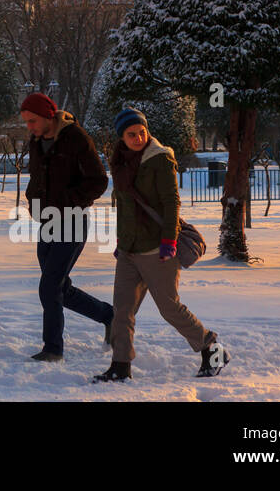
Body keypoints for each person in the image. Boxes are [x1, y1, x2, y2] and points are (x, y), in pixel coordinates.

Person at [95, 108, 231, 382]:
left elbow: (172, 203)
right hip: (130, 250)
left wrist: (169, 240)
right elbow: (124, 206)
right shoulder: (121, 161)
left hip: (157, 249)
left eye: (141, 132)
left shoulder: (160, 159)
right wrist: (121, 241)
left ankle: (213, 350)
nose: (138, 137)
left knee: (169, 308)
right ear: (122, 137)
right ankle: (120, 366)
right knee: (121, 310)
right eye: (131, 134)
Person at [21, 91, 115, 362]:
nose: (30, 127)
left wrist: (68, 201)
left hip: (72, 222)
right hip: (46, 222)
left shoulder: (76, 138)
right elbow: (37, 177)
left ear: (49, 116)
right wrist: (33, 201)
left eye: (33, 121)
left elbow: (98, 181)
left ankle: (53, 349)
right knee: (59, 288)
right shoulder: (37, 141)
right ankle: (109, 315)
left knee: (49, 286)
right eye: (26, 122)